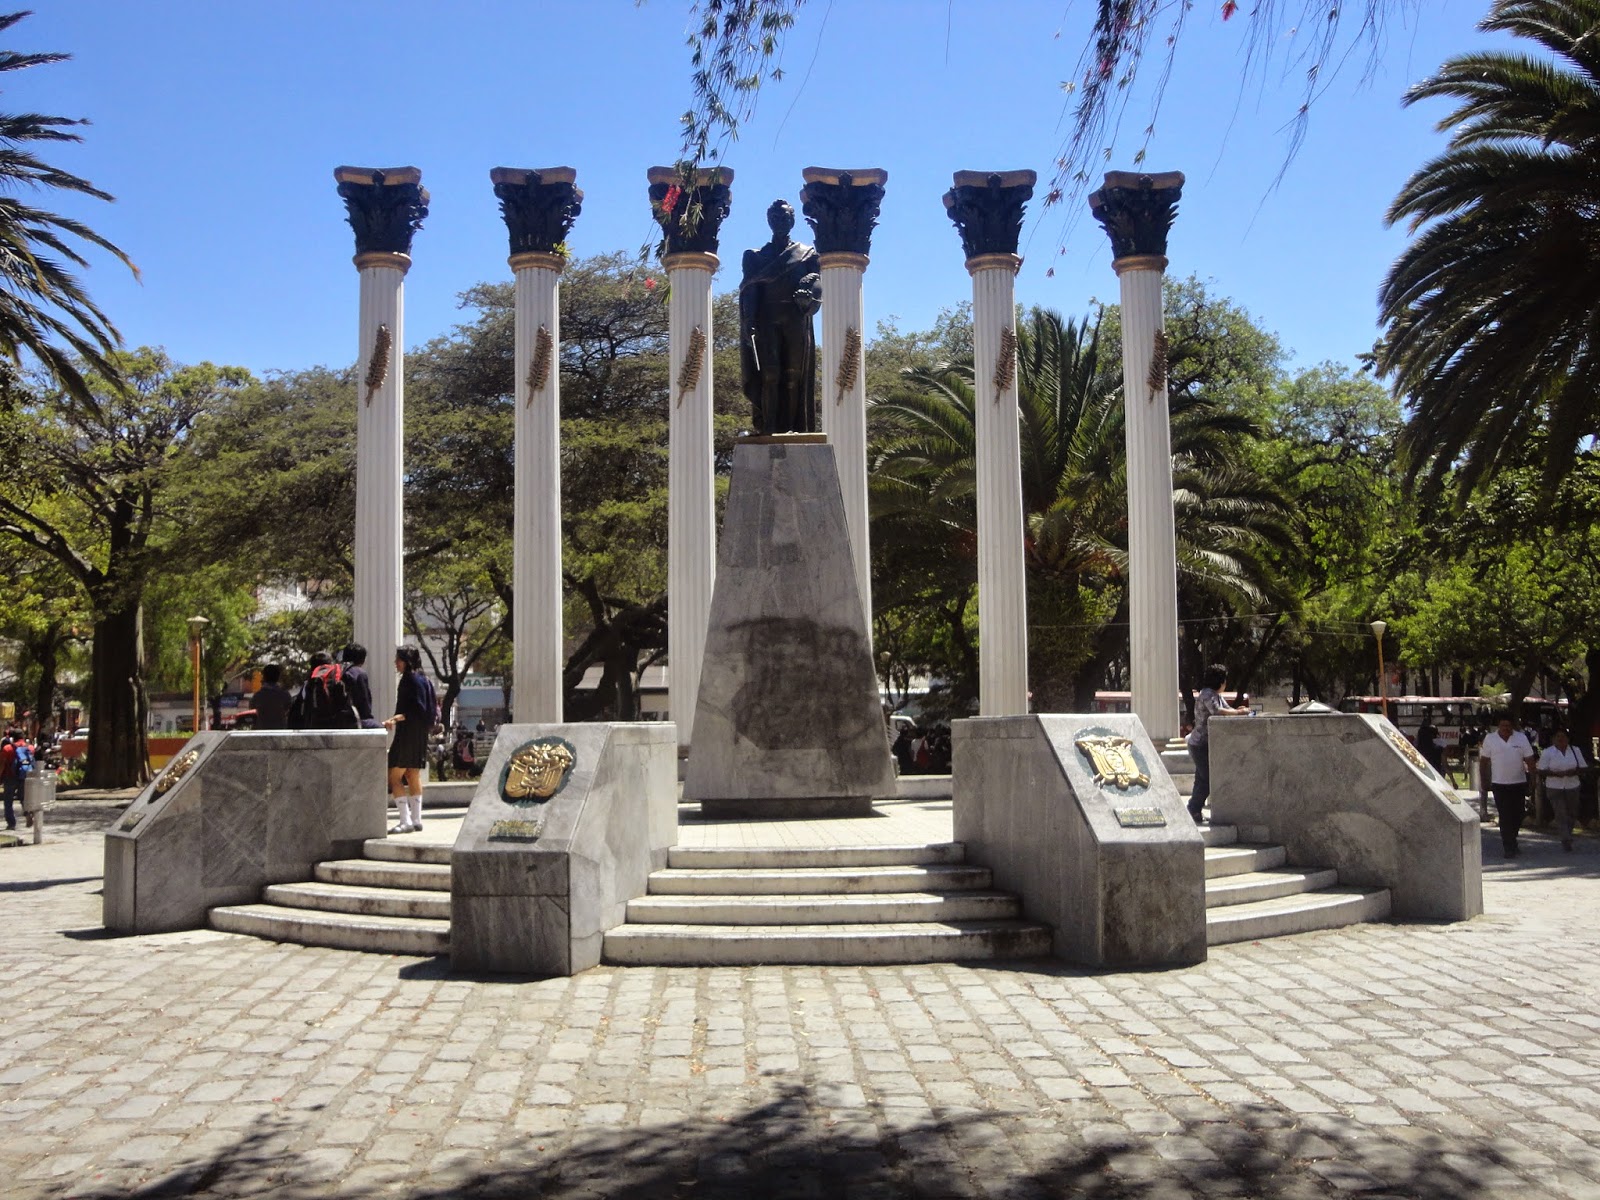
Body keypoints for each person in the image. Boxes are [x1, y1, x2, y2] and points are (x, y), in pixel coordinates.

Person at [738, 199, 821, 434]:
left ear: (792, 221)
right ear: (769, 221)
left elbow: (817, 285)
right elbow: (751, 290)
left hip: (795, 317)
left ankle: (793, 426)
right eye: (775, 218)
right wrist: (749, 320)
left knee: (794, 375)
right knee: (770, 374)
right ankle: (769, 427)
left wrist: (809, 295)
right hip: (767, 318)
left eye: (785, 218)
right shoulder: (754, 256)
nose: (780, 222)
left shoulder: (807, 254)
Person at [383, 645, 436, 834]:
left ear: (407, 661)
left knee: (393, 776)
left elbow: (412, 709)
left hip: (407, 733)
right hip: (420, 734)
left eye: (399, 659)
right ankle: (416, 820)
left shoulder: (409, 680)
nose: (396, 663)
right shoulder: (425, 680)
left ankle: (404, 821)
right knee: (413, 774)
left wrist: (394, 719)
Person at [1186, 664, 1250, 824]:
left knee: (1201, 779)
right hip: (1200, 744)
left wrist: (1238, 711)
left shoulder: (1215, 695)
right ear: (1219, 680)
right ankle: (1193, 808)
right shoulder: (1207, 694)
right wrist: (1239, 712)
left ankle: (1194, 811)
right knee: (1208, 778)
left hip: (1206, 744)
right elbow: (1217, 711)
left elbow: (1227, 710)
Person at [1479, 712, 1537, 858]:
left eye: (1509, 726)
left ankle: (1513, 838)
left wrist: (1533, 780)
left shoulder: (1521, 738)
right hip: (1499, 784)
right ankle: (1508, 847)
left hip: (1519, 782)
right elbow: (1484, 761)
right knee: (1505, 815)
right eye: (1503, 725)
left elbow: (1530, 760)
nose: (1506, 728)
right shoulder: (1490, 739)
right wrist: (1484, 780)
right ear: (1498, 726)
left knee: (1518, 814)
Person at [1537, 727, 1586, 852]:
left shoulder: (1575, 751)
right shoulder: (1548, 752)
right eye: (1557, 736)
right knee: (1560, 813)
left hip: (1572, 785)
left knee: (1572, 812)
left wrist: (1572, 772)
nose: (1560, 739)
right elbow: (1541, 770)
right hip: (1554, 786)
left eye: (1563, 736)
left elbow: (1583, 768)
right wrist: (1554, 774)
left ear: (1568, 739)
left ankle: (1567, 833)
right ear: (1553, 739)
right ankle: (1565, 838)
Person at [341, 643, 380, 728]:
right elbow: (364, 702)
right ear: (362, 659)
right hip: (352, 720)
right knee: (378, 728)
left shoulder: (339, 670)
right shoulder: (359, 673)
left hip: (337, 719)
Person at [252, 664, 294, 731]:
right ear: (278, 677)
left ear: (264, 677)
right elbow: (288, 709)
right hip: (280, 732)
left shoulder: (258, 695)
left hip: (262, 732)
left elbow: (252, 707)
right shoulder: (284, 694)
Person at [1, 730, 16, 831]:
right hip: (23, 776)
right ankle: (29, 813)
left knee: (8, 801)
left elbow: (2, 764)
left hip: (9, 777)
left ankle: (11, 823)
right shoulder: (27, 747)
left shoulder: (7, 748)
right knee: (25, 799)